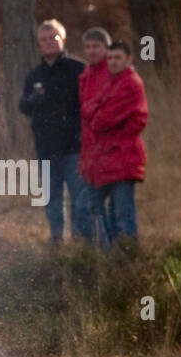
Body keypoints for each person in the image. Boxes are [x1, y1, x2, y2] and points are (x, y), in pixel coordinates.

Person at [18, 20, 88, 244]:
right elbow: (24, 106)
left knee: (80, 197)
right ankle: (56, 239)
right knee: (52, 199)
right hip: (46, 148)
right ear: (39, 44)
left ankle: (79, 240)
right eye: (44, 39)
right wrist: (34, 99)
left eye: (53, 37)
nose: (49, 43)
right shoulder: (35, 75)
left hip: (75, 146)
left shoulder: (78, 69)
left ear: (63, 40)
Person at [80, 40, 148, 245]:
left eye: (118, 58)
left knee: (121, 214)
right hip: (108, 158)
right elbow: (87, 110)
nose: (112, 62)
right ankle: (109, 257)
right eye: (109, 58)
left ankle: (124, 259)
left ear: (129, 59)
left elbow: (101, 120)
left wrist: (97, 112)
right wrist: (97, 111)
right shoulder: (112, 82)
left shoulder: (129, 83)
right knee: (97, 208)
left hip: (122, 157)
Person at [76, 27, 114, 244]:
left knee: (95, 206)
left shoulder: (113, 73)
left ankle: (111, 257)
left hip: (112, 153)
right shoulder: (86, 76)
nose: (91, 51)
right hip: (91, 153)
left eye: (96, 46)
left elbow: (103, 112)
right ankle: (101, 257)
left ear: (106, 48)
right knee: (89, 207)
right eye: (88, 47)